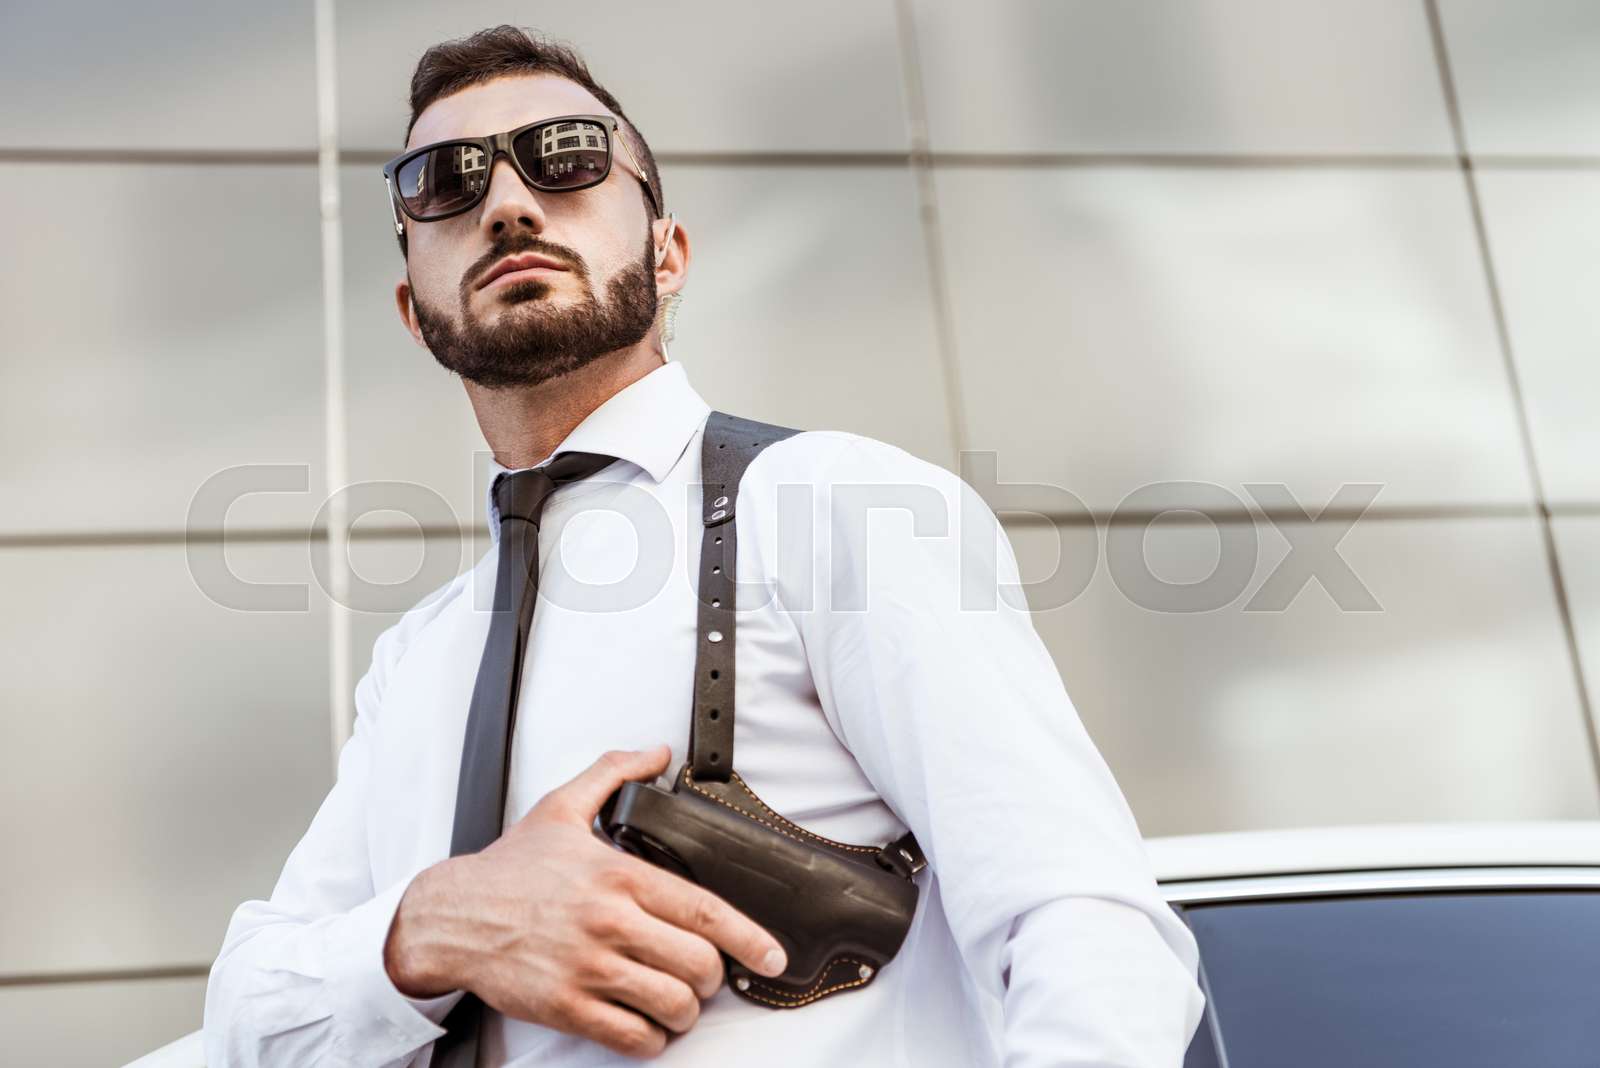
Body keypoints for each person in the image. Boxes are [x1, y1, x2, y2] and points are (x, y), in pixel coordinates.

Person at [202, 24, 1205, 1068]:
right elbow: (246, 1020)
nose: (506, 204)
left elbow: (1083, 924)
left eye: (569, 159)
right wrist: (431, 926)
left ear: (667, 255)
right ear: (415, 313)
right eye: (443, 183)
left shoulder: (833, 503)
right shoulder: (418, 656)